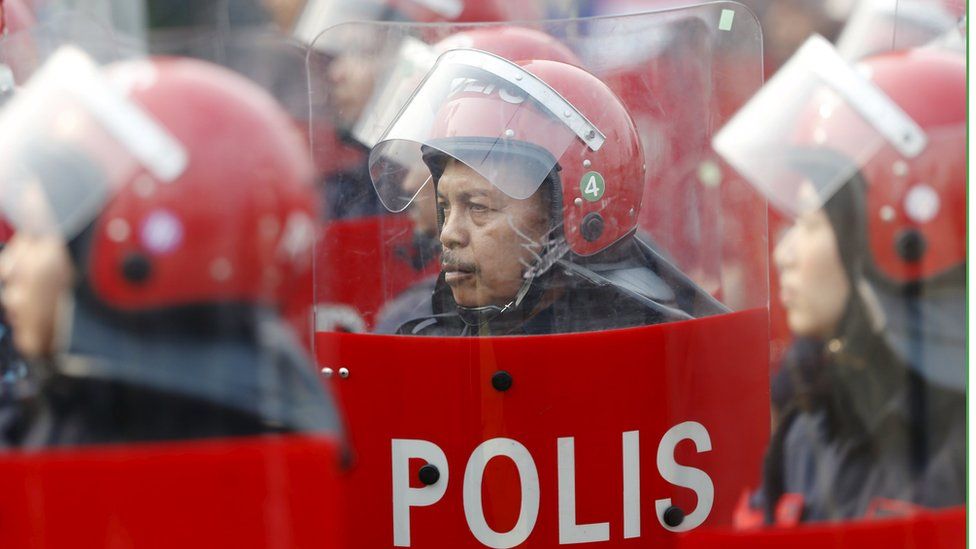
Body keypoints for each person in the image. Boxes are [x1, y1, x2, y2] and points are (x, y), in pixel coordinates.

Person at [0, 47, 338, 447]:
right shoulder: (276, 424)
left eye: (38, 233)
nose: (8, 266)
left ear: (136, 260)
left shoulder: (101, 453)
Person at [714, 37, 965, 524]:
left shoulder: (957, 445)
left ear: (900, 240)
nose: (781, 253)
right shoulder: (812, 426)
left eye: (808, 222)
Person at [368, 49, 727, 336]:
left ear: (568, 218)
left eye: (478, 207)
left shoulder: (665, 354)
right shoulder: (422, 342)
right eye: (445, 205)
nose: (449, 233)